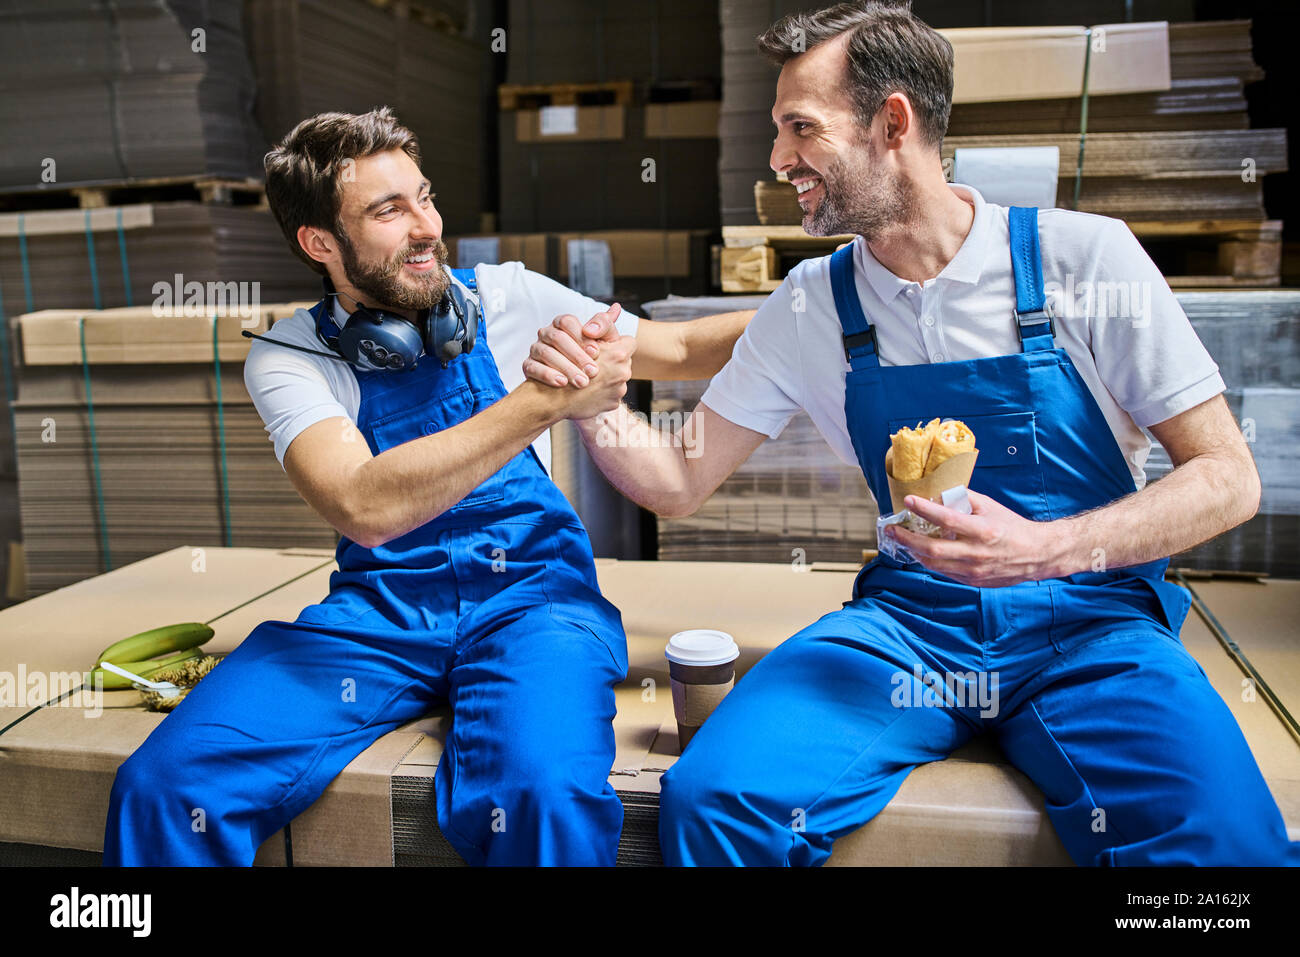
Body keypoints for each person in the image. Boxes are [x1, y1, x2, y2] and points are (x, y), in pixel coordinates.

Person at [524, 2, 1300, 866]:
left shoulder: (1088, 260)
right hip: (913, 631)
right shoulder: (810, 306)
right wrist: (590, 401)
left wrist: (1045, 549)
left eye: (800, 129)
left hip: (1093, 625)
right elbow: (678, 479)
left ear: (893, 121)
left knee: (1229, 849)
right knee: (716, 800)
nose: (779, 159)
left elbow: (1229, 477)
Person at [101, 107, 750, 867]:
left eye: (425, 196)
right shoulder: (291, 358)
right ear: (320, 243)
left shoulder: (505, 298)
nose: (427, 226)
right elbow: (362, 503)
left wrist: (820, 306)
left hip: (533, 603)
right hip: (381, 617)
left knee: (541, 790)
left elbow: (674, 346)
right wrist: (542, 401)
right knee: (165, 784)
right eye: (389, 209)